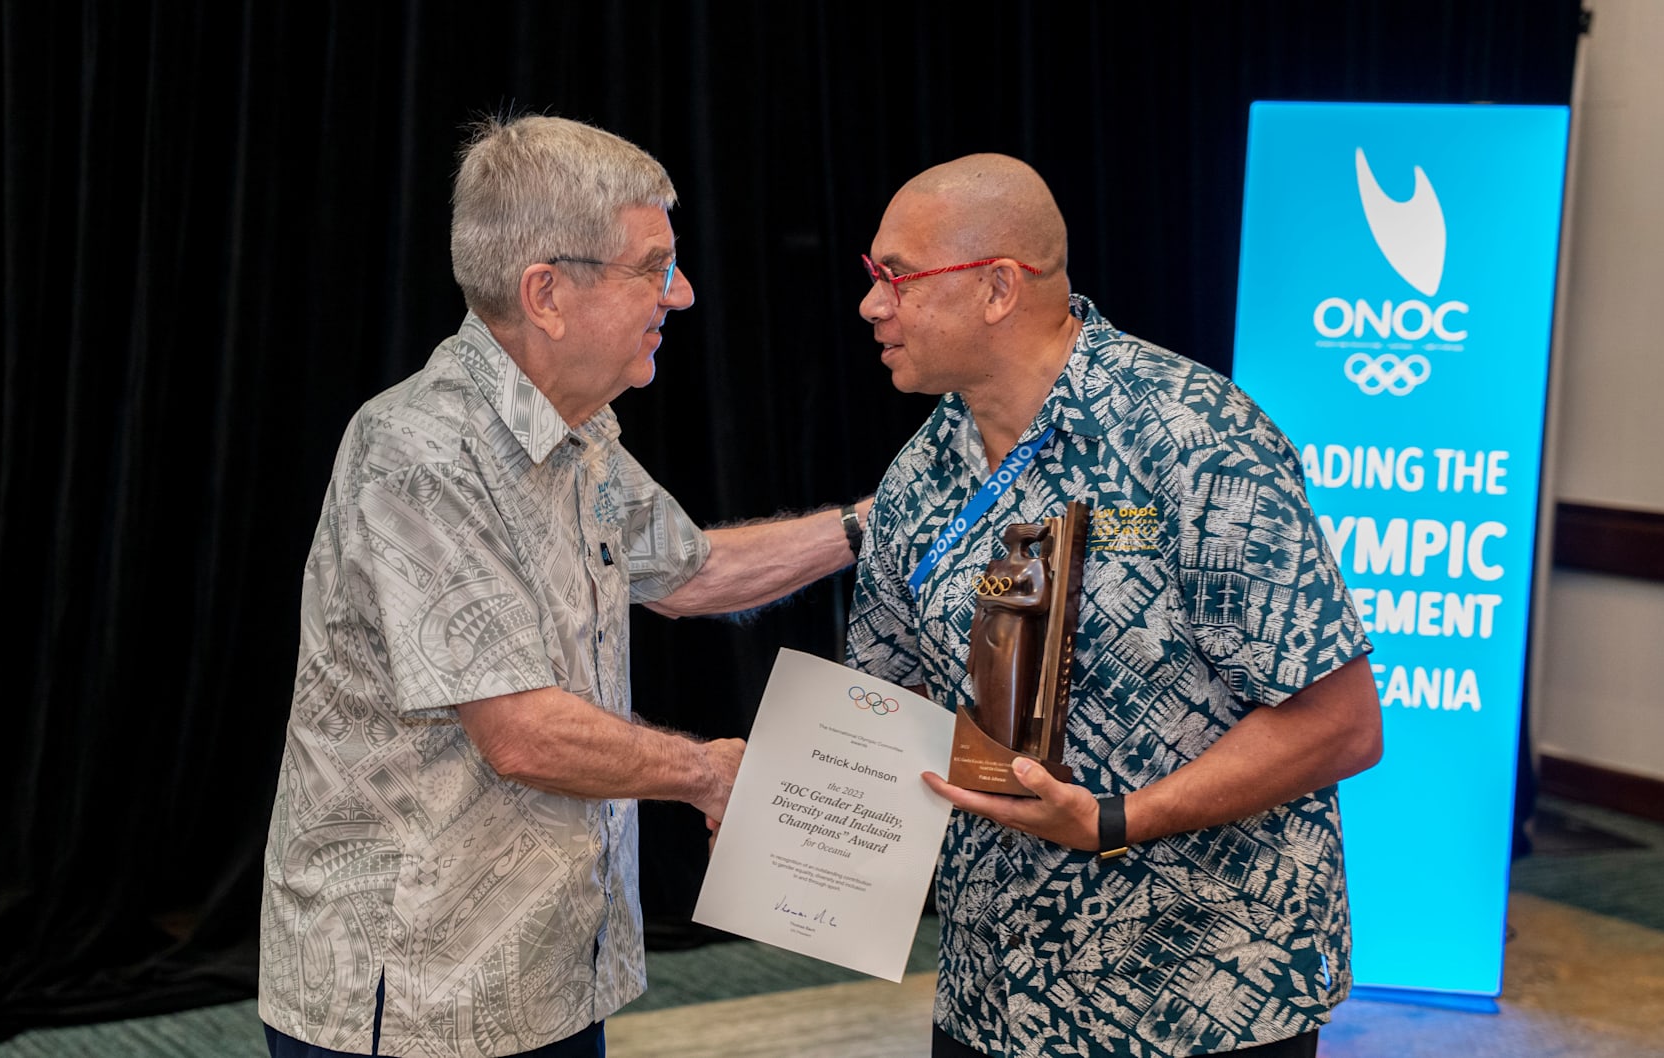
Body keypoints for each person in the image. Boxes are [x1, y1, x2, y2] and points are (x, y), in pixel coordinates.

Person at [259, 115, 871, 1058]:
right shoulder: (418, 450)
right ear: (546, 292)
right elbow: (521, 731)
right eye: (655, 267)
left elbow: (694, 572)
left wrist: (871, 524)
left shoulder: (576, 435)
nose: (685, 293)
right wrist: (710, 774)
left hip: (544, 972)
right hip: (420, 996)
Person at [845, 154, 1383, 1058]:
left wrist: (1112, 821)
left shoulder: (1193, 438)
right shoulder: (918, 476)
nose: (872, 305)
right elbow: (889, 711)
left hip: (1202, 996)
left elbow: (1340, 724)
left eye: (896, 278)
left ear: (996, 287)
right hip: (994, 996)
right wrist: (782, 794)